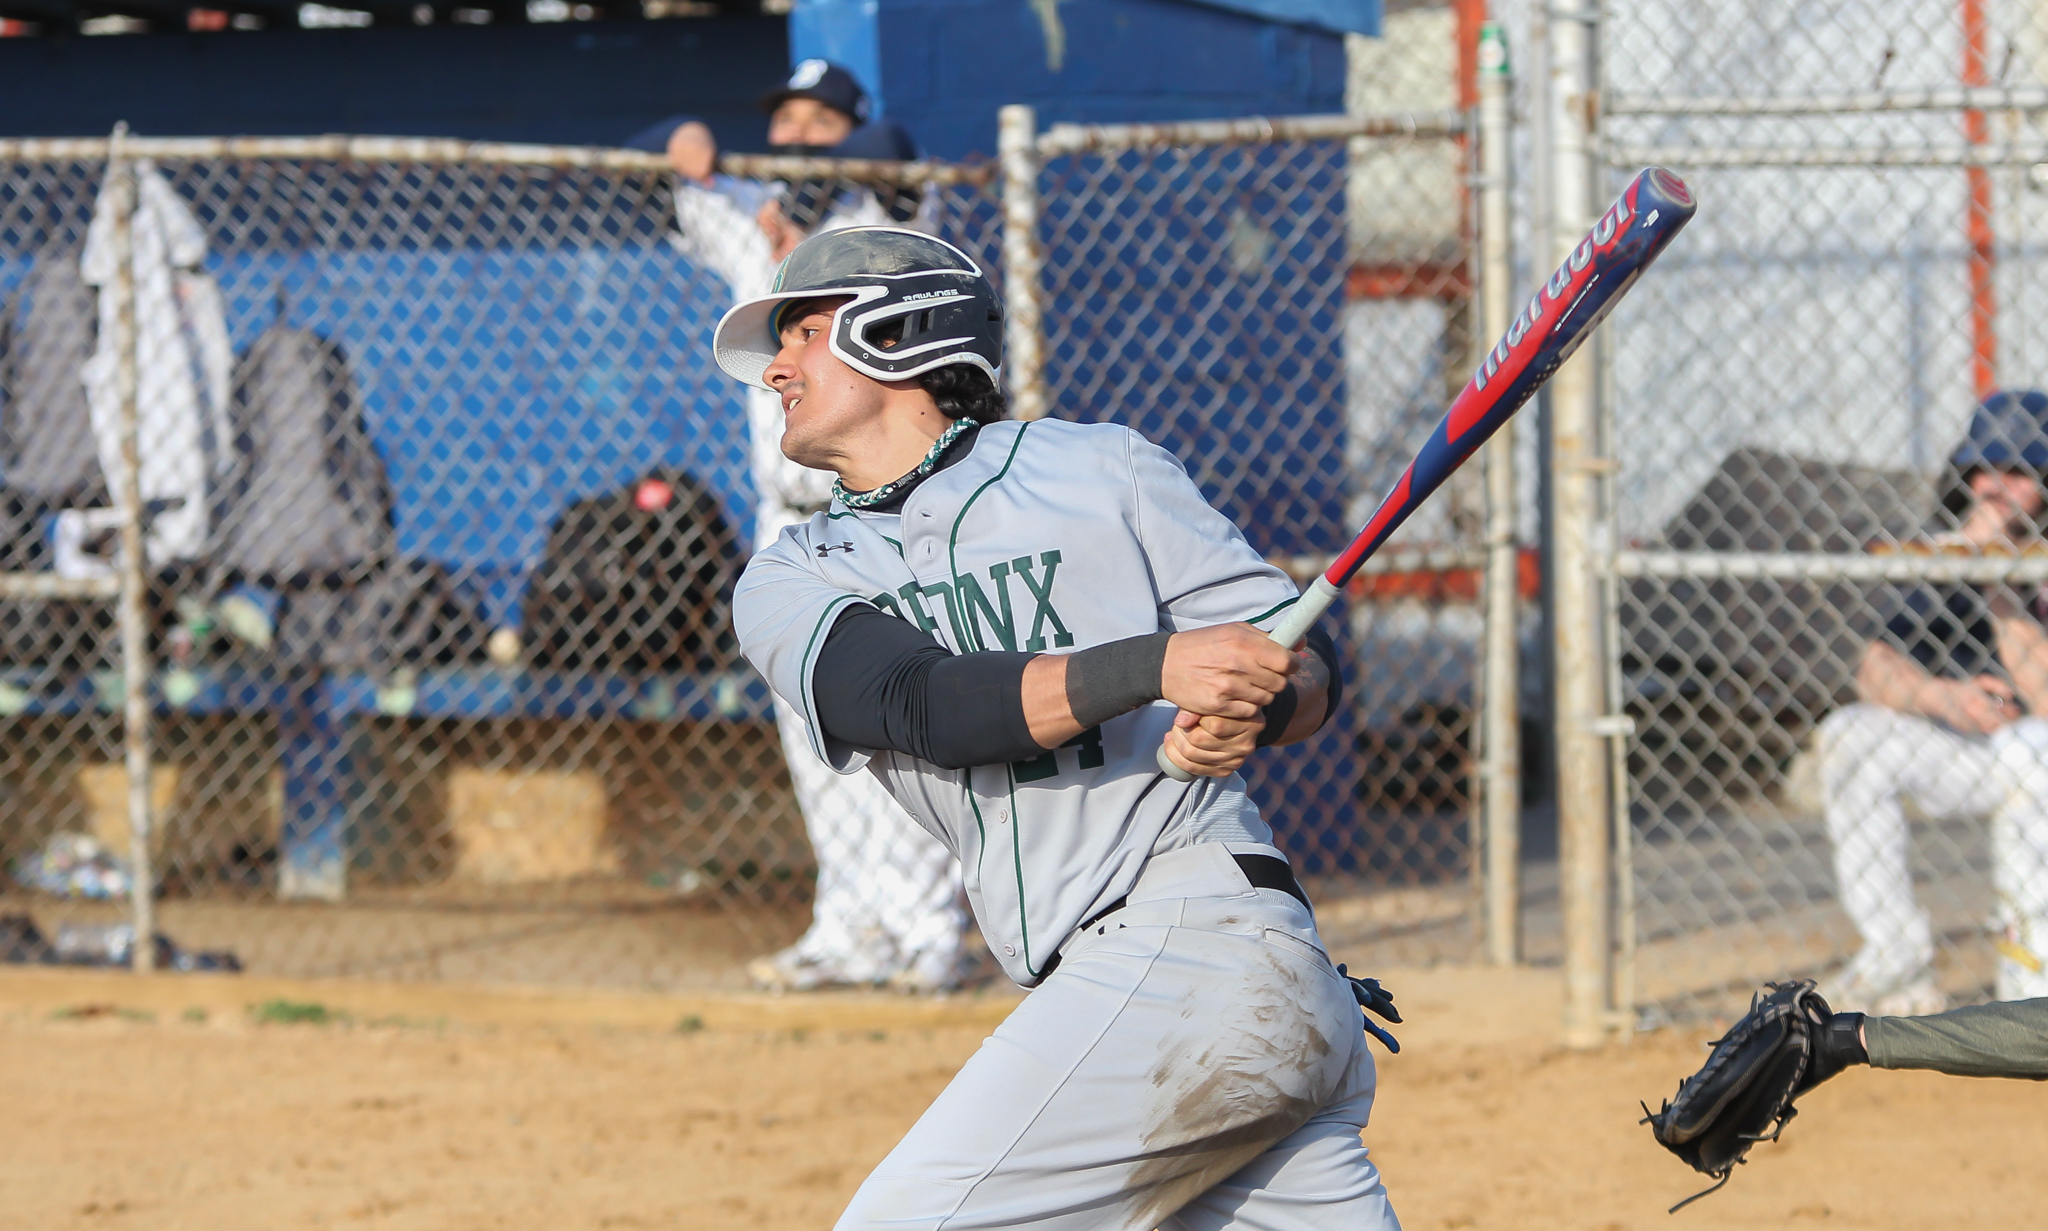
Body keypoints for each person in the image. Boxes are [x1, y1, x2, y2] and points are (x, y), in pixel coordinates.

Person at [723, 225, 1398, 1229]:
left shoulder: (1102, 470)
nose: (774, 366)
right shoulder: (792, 575)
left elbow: (1304, 671)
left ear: (897, 331)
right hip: (1162, 991)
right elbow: (923, 704)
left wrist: (1256, 706)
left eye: (805, 332)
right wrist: (1157, 667)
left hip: (1194, 945)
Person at [628, 63, 965, 992]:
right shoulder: (752, 206)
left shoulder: (885, 212)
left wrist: (810, 184)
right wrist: (687, 136)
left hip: (892, 517)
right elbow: (633, 161)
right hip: (791, 520)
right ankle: (846, 927)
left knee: (907, 728)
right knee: (818, 736)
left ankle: (927, 932)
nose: (804, 134)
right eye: (788, 117)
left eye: (822, 120)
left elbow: (887, 151)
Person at [1818, 389, 2048, 1014]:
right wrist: (1939, 696)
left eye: (2018, 473)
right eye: (1982, 469)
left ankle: (2033, 983)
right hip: (1973, 747)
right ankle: (1898, 960)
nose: (1993, 488)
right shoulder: (1945, 553)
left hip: (2038, 753)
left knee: (2033, 744)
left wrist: (1994, 576)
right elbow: (1875, 668)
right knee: (1852, 733)